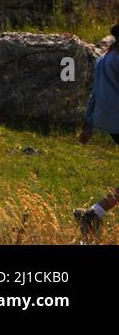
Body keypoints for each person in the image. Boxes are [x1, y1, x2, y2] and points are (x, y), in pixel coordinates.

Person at [75, 25, 119, 238]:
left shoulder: (104, 58)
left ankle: (94, 213)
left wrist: (89, 125)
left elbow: (95, 94)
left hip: (108, 119)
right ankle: (93, 213)